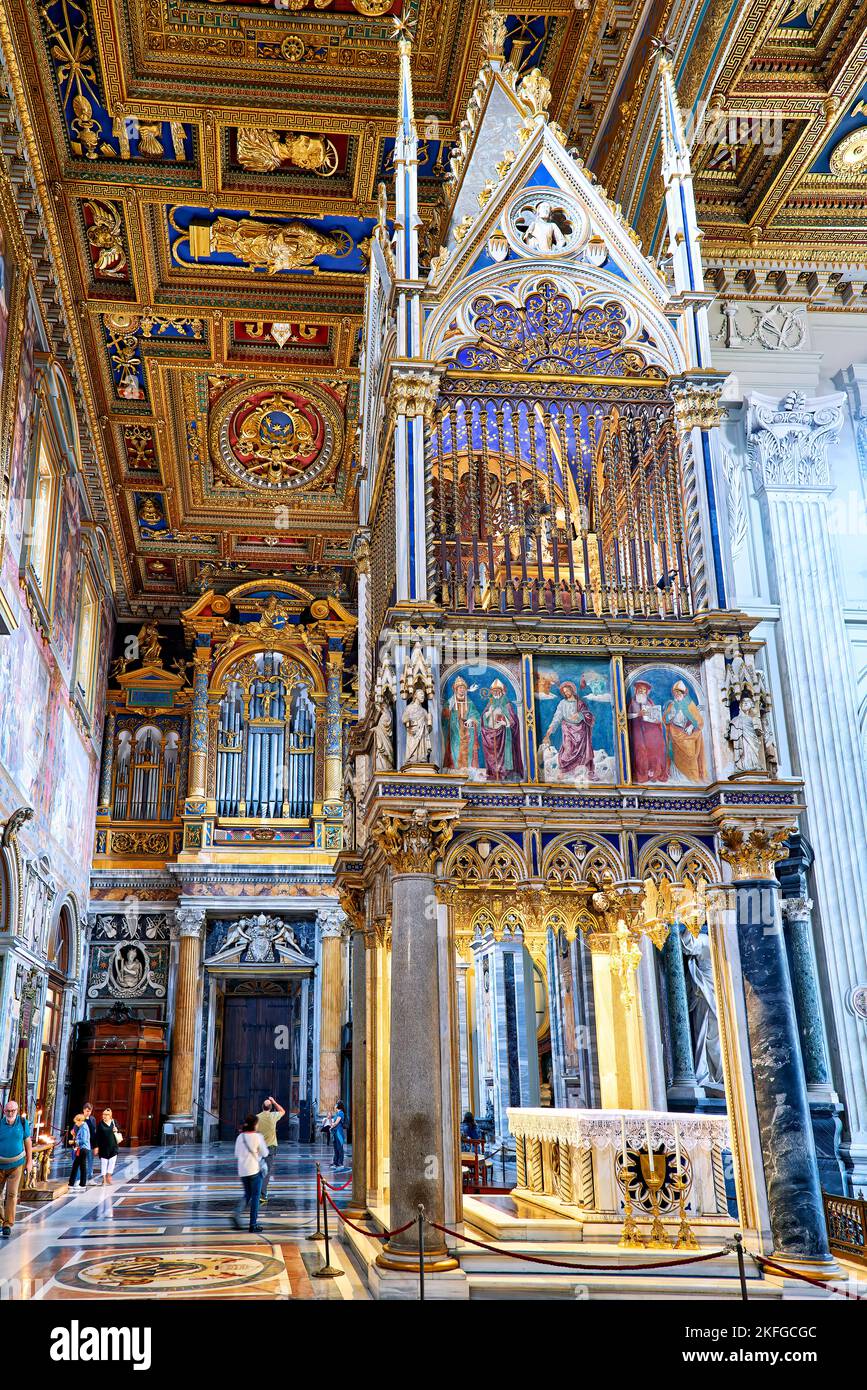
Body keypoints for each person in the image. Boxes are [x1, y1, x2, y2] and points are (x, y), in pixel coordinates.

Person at [0, 1100, 34, 1237]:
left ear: (17, 1111)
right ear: (4, 1112)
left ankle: (8, 1224)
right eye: (8, 1111)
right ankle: (1, 1219)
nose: (10, 1113)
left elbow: (28, 1141)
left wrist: (30, 1161)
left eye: (13, 1110)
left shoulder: (22, 1123)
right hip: (0, 1164)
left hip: (16, 1164)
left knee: (12, 1195)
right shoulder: (0, 1124)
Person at [234, 1115, 267, 1233]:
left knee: (247, 1194)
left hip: (242, 1170)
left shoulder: (240, 1137)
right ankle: (253, 1224)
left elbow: (237, 1153)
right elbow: (265, 1153)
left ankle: (236, 1214)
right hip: (254, 1170)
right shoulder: (258, 1137)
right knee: (255, 1197)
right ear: (254, 1124)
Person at [256, 1095, 285, 1204]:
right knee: (266, 1173)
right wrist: (274, 1101)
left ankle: (257, 1192)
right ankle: (262, 1195)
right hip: (270, 1148)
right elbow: (283, 1111)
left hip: (259, 1148)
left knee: (258, 1171)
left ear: (262, 1107)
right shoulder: (273, 1116)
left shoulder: (257, 1117)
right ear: (271, 1107)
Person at [94, 1107, 121, 1184]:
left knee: (112, 1162)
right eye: (104, 1114)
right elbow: (97, 1136)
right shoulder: (100, 1124)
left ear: (110, 1115)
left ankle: (109, 1176)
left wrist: (117, 1129)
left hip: (113, 1146)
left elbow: (119, 1129)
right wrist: (96, 1146)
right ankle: (104, 1179)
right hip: (103, 1147)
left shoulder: (114, 1122)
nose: (104, 1116)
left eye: (107, 1114)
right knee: (104, 1163)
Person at [68, 1113, 90, 1190]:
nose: (76, 1124)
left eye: (76, 1122)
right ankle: (71, 1183)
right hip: (81, 1149)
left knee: (81, 1166)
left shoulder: (83, 1128)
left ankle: (82, 1184)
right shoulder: (82, 1126)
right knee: (76, 1165)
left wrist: (74, 1142)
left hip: (83, 1149)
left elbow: (83, 1140)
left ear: (80, 1121)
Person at [327, 1101, 347, 1171]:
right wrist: (329, 1118)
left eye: (336, 1104)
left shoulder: (341, 1113)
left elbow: (335, 1123)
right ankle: (335, 1163)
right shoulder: (337, 1114)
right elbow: (332, 1124)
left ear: (338, 1106)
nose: (335, 1105)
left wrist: (332, 1125)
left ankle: (340, 1163)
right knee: (335, 1148)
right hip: (335, 1133)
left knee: (340, 1148)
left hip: (339, 1133)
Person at [82, 1102, 97, 1184]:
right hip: (83, 1144)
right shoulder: (80, 1118)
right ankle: (81, 1179)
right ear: (83, 1110)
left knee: (90, 1161)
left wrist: (95, 1146)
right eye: (87, 1111)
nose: (88, 1112)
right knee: (82, 1162)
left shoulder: (93, 1119)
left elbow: (94, 1132)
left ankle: (90, 1178)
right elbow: (75, 1130)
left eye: (90, 1111)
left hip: (90, 1143)